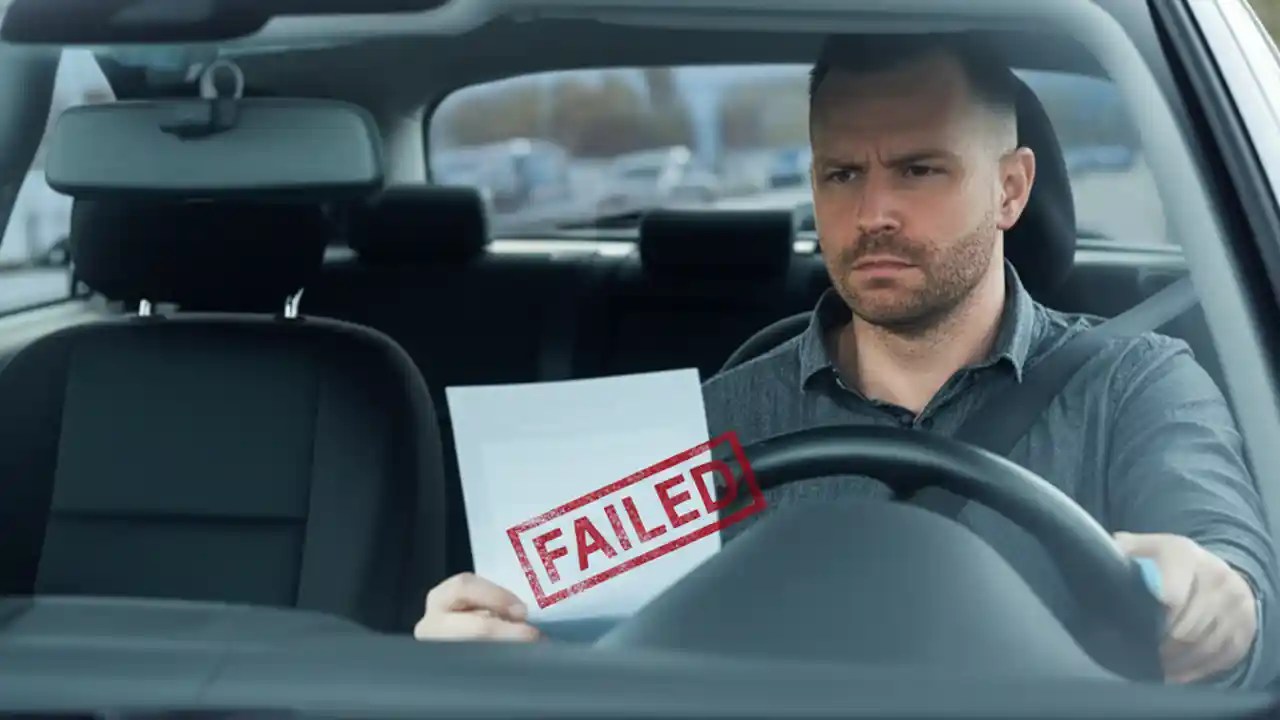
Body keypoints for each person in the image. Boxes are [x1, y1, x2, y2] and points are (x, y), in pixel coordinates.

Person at [414, 33, 1277, 687]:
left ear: (1011, 188)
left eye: (919, 170)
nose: (873, 214)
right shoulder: (711, 429)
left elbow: (1236, 587)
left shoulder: (1136, 385)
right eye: (840, 175)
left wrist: (1218, 609)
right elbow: (593, 667)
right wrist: (480, 658)